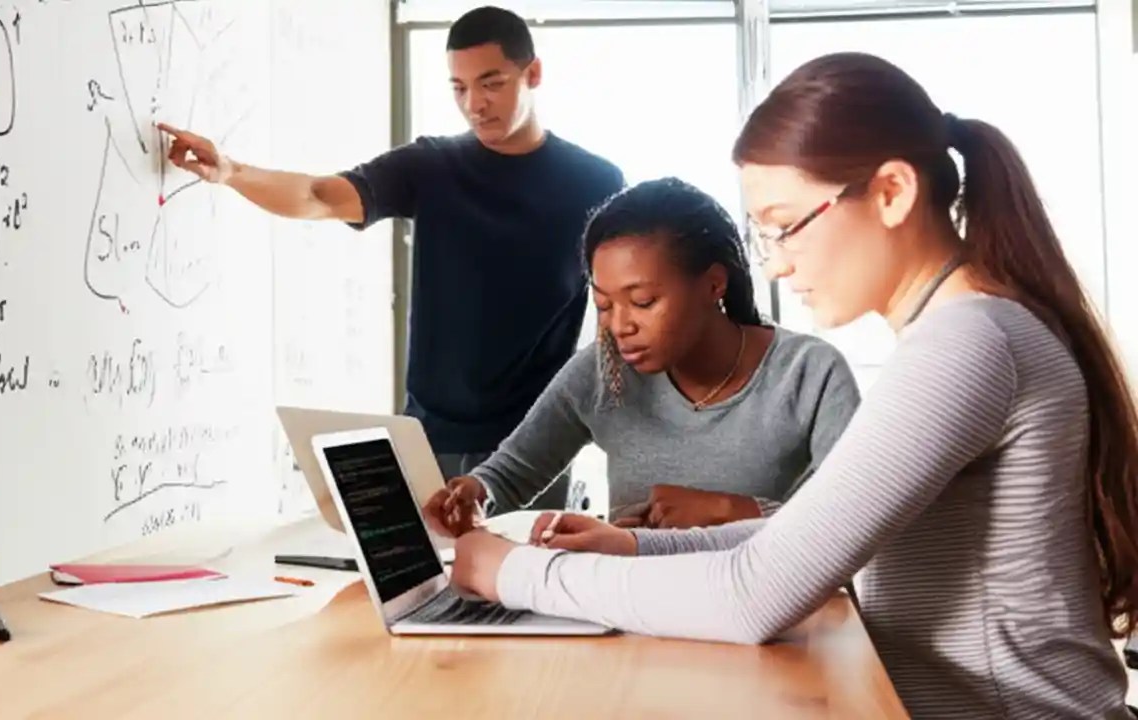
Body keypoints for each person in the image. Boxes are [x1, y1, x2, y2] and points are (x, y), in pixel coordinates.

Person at [449, 51, 1138, 719]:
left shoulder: (968, 343)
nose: (775, 266)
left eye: (786, 227)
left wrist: (509, 572)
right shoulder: (964, 332)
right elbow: (804, 536)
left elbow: (757, 593)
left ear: (893, 192)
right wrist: (633, 545)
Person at [157, 7, 625, 496]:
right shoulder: (433, 166)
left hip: (536, 445)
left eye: (492, 83)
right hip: (426, 441)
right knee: (422, 574)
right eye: (459, 88)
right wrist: (231, 172)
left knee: (517, 573)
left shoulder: (597, 183)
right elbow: (320, 195)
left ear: (533, 74)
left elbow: (614, 314)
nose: (475, 105)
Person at [422, 177, 860, 537]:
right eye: (605, 305)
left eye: (644, 301)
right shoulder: (601, 371)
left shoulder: (810, 374)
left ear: (713, 285)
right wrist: (473, 493)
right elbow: (509, 474)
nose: (619, 326)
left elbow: (851, 524)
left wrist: (730, 509)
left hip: (776, 626)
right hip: (634, 619)